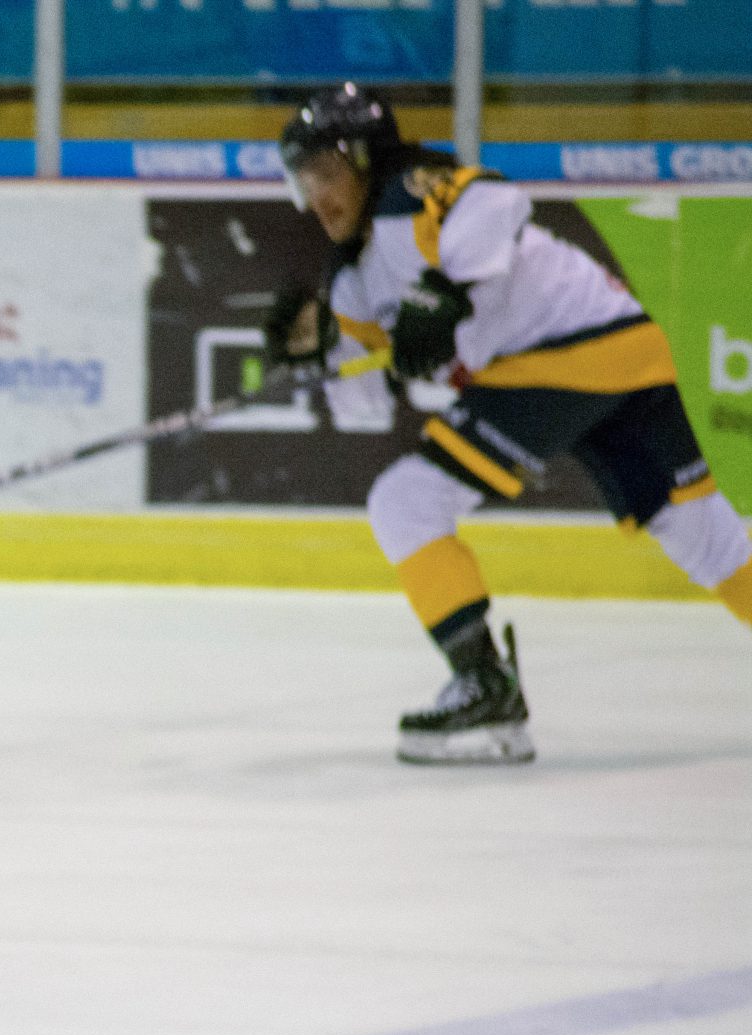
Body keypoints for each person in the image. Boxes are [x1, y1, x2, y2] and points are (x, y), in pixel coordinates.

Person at [265, 83, 752, 764]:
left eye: (325, 172)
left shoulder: (409, 191)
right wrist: (322, 358)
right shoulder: (352, 283)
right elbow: (366, 405)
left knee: (406, 502)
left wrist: (444, 290)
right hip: (621, 352)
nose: (317, 197)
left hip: (563, 352)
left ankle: (483, 685)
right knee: (702, 536)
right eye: (304, 180)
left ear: (365, 158)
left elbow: (497, 203)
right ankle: (485, 688)